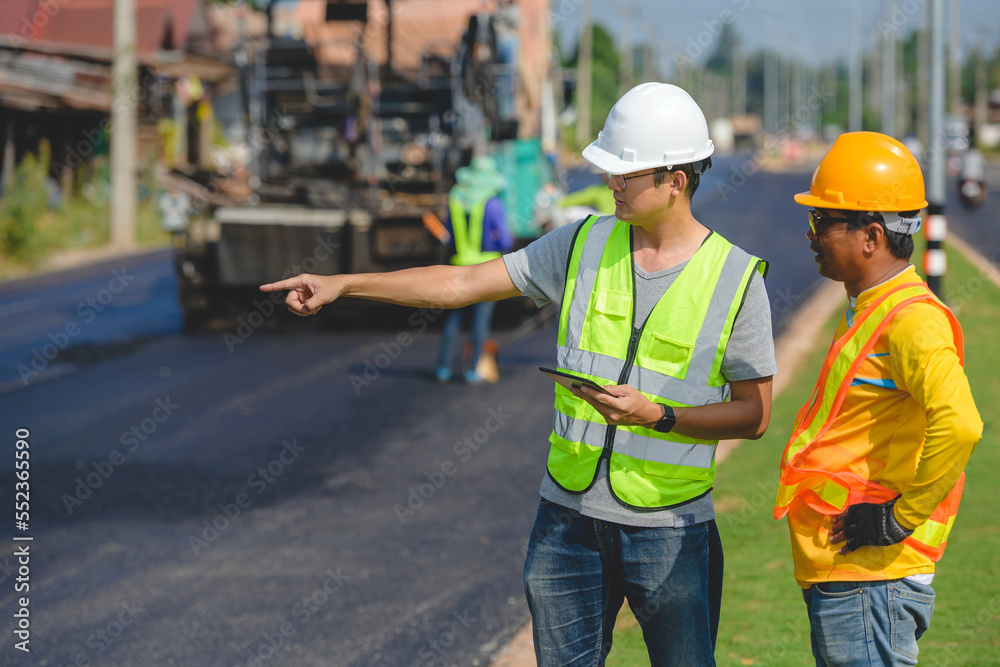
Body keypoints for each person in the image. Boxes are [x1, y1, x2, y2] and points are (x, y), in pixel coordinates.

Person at [260, 82, 776, 666]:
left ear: (674, 181)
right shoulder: (581, 242)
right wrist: (344, 285)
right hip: (567, 524)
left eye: (624, 176)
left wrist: (658, 416)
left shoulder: (736, 280)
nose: (611, 185)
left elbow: (755, 416)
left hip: (669, 531)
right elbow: (462, 283)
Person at [773, 131, 983, 666]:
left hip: (873, 576)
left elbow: (961, 425)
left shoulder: (911, 320)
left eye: (823, 223)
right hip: (853, 572)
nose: (811, 235)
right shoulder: (872, 307)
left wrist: (897, 519)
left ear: (871, 236)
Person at [436, 155, 514, 384]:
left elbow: (449, 235)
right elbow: (506, 242)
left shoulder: (456, 201)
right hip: (486, 270)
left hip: (458, 267)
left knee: (453, 318)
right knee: (480, 321)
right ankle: (472, 371)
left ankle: (443, 367)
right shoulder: (492, 203)